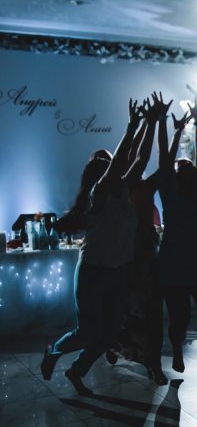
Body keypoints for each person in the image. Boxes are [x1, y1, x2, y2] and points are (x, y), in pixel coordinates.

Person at [41, 99, 142, 395]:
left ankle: (76, 371)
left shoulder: (123, 195)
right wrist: (132, 127)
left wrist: (151, 124)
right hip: (94, 271)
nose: (119, 172)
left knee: (108, 334)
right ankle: (54, 351)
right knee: (87, 333)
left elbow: (138, 158)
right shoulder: (99, 194)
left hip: (117, 271)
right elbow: (124, 160)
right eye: (112, 169)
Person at [107, 95, 191, 386]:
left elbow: (163, 164)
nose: (136, 164)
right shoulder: (120, 189)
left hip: (145, 257)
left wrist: (168, 129)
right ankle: (118, 348)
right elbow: (143, 157)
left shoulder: (141, 187)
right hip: (125, 258)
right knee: (127, 311)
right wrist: (152, 123)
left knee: (151, 312)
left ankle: (152, 363)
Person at [156, 96, 197, 382]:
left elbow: (165, 160)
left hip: (174, 263)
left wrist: (175, 127)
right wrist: (195, 123)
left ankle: (189, 357)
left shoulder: (171, 194)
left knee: (181, 317)